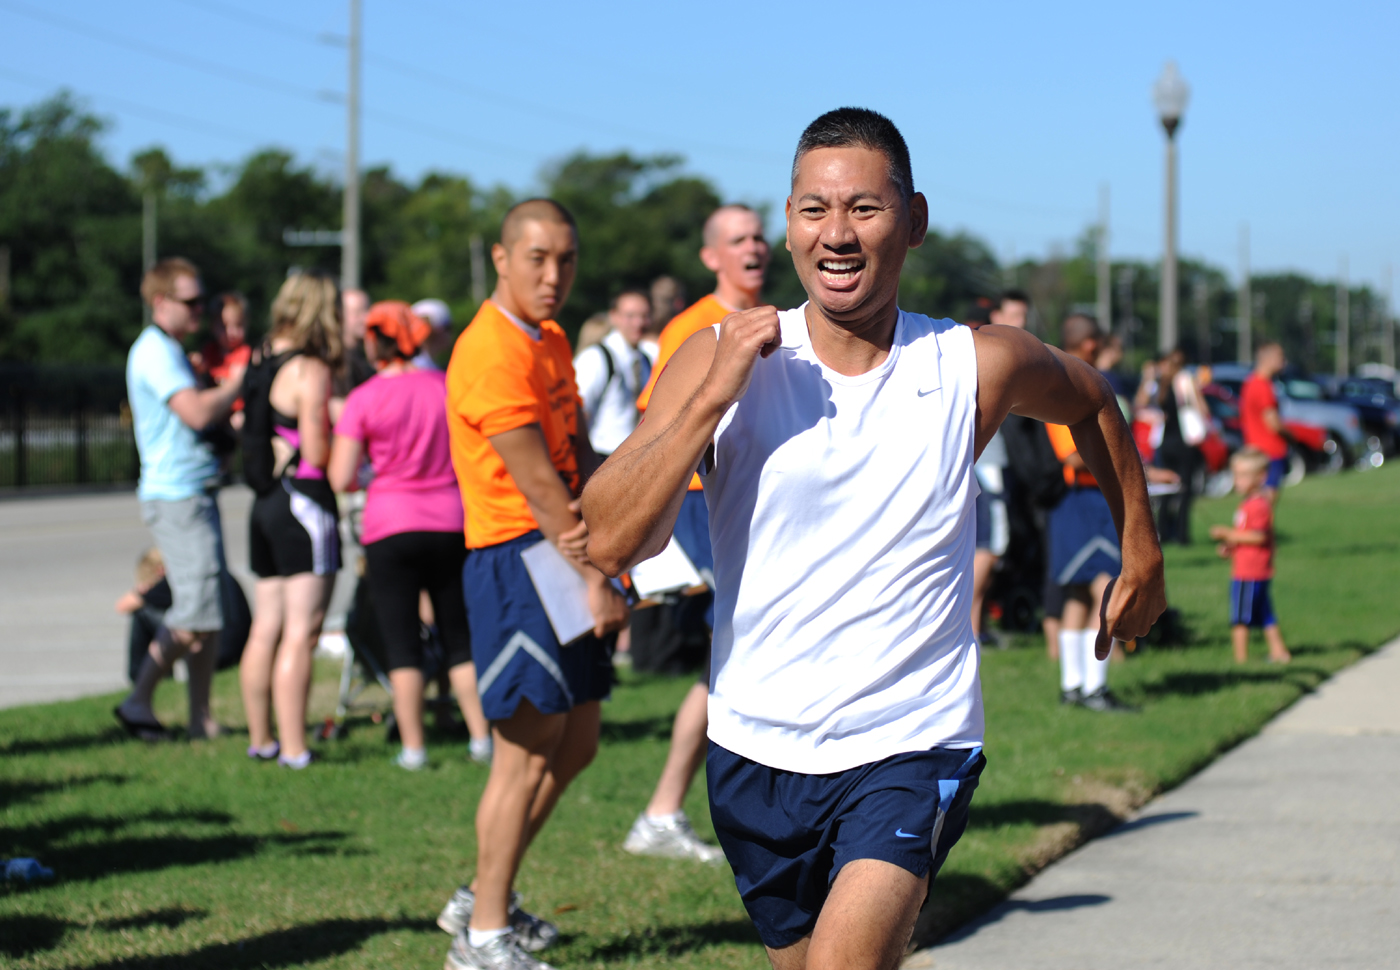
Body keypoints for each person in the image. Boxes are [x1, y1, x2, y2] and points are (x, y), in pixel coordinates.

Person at [581, 107, 1165, 970]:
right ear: (789, 224)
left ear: (914, 220)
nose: (838, 234)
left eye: (865, 207)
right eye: (814, 210)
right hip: (754, 746)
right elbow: (607, 539)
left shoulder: (972, 363)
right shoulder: (719, 357)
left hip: (910, 738)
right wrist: (711, 398)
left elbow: (1091, 399)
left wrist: (1142, 550)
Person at [438, 199, 628, 970]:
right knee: (522, 752)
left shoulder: (547, 338)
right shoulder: (489, 350)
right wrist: (598, 576)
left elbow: (576, 454)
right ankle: (483, 938)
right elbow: (542, 488)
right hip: (518, 559)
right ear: (501, 258)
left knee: (576, 741)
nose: (554, 276)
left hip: (561, 551)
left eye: (567, 260)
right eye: (538, 259)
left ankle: (484, 893)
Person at [622, 204, 771, 866]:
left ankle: (679, 807)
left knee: (738, 655)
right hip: (698, 501)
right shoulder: (691, 327)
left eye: (759, 235)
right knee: (730, 656)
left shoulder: (776, 319)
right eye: (738, 239)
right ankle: (665, 809)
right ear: (711, 256)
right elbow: (662, 429)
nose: (754, 247)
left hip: (752, 501)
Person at [329, 301, 492, 770]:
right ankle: (482, 739)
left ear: (374, 343)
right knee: (459, 638)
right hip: (451, 521)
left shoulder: (364, 397)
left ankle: (414, 749)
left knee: (402, 643)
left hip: (390, 525)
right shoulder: (445, 386)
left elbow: (341, 476)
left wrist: (376, 472)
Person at [116, 258, 244, 742]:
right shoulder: (155, 352)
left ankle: (199, 716)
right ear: (160, 301)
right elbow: (195, 414)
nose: (200, 310)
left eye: (202, 301)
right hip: (177, 495)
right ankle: (138, 701)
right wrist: (239, 382)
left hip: (193, 490)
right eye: (191, 301)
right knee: (195, 609)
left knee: (208, 611)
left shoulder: (170, 350)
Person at [239, 271, 343, 769]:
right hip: (304, 502)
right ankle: (296, 748)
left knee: (267, 626)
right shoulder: (309, 368)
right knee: (302, 630)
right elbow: (317, 452)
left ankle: (262, 739)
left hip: (264, 503)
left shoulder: (260, 358)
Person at [1044, 314, 1135, 712]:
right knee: (1102, 585)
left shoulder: (1069, 379)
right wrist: (1118, 450)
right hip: (1080, 498)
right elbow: (1071, 455)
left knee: (1081, 592)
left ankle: (1075, 686)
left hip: (1090, 497)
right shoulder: (1063, 383)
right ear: (1090, 345)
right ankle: (1094, 687)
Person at [1209, 447, 1291, 665]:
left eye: (1244, 475)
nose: (1238, 480)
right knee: (1265, 613)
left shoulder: (1258, 505)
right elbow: (1246, 534)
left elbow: (1258, 536)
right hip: (1251, 569)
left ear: (1261, 477)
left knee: (1239, 617)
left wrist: (1227, 533)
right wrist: (1230, 545)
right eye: (1236, 474)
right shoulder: (1248, 503)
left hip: (1250, 572)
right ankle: (1279, 652)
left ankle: (1240, 660)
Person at [1135, 349, 1210, 544]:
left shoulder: (1160, 383)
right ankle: (1182, 534)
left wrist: (1147, 378)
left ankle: (1163, 531)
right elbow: (1202, 408)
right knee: (1185, 488)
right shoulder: (1185, 380)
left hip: (1164, 442)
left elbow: (1140, 402)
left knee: (1165, 488)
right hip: (1184, 441)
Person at [575, 290, 653, 458]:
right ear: (614, 317)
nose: (638, 323)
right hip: (600, 457)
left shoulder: (645, 359)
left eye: (645, 316)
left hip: (634, 458)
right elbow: (577, 411)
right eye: (630, 316)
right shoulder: (596, 357)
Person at [1241, 341, 1289, 497]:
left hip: (1256, 450)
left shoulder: (1250, 381)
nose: (1283, 360)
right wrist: (1292, 436)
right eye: (1280, 356)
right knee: (1265, 503)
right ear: (1268, 359)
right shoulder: (1262, 386)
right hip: (1269, 451)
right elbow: (1273, 422)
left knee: (1257, 501)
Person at [117, 548, 172, 684]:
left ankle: (139, 674)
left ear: (159, 570)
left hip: (182, 631)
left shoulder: (165, 585)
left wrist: (141, 590)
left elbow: (122, 605)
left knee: (141, 614)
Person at [331, 287, 374, 422]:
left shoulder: (367, 355)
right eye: (357, 312)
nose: (366, 318)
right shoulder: (335, 359)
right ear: (339, 315)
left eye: (367, 310)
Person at [410, 298, 457, 370]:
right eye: (449, 327)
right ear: (440, 330)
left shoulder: (410, 364)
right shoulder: (424, 368)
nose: (451, 333)